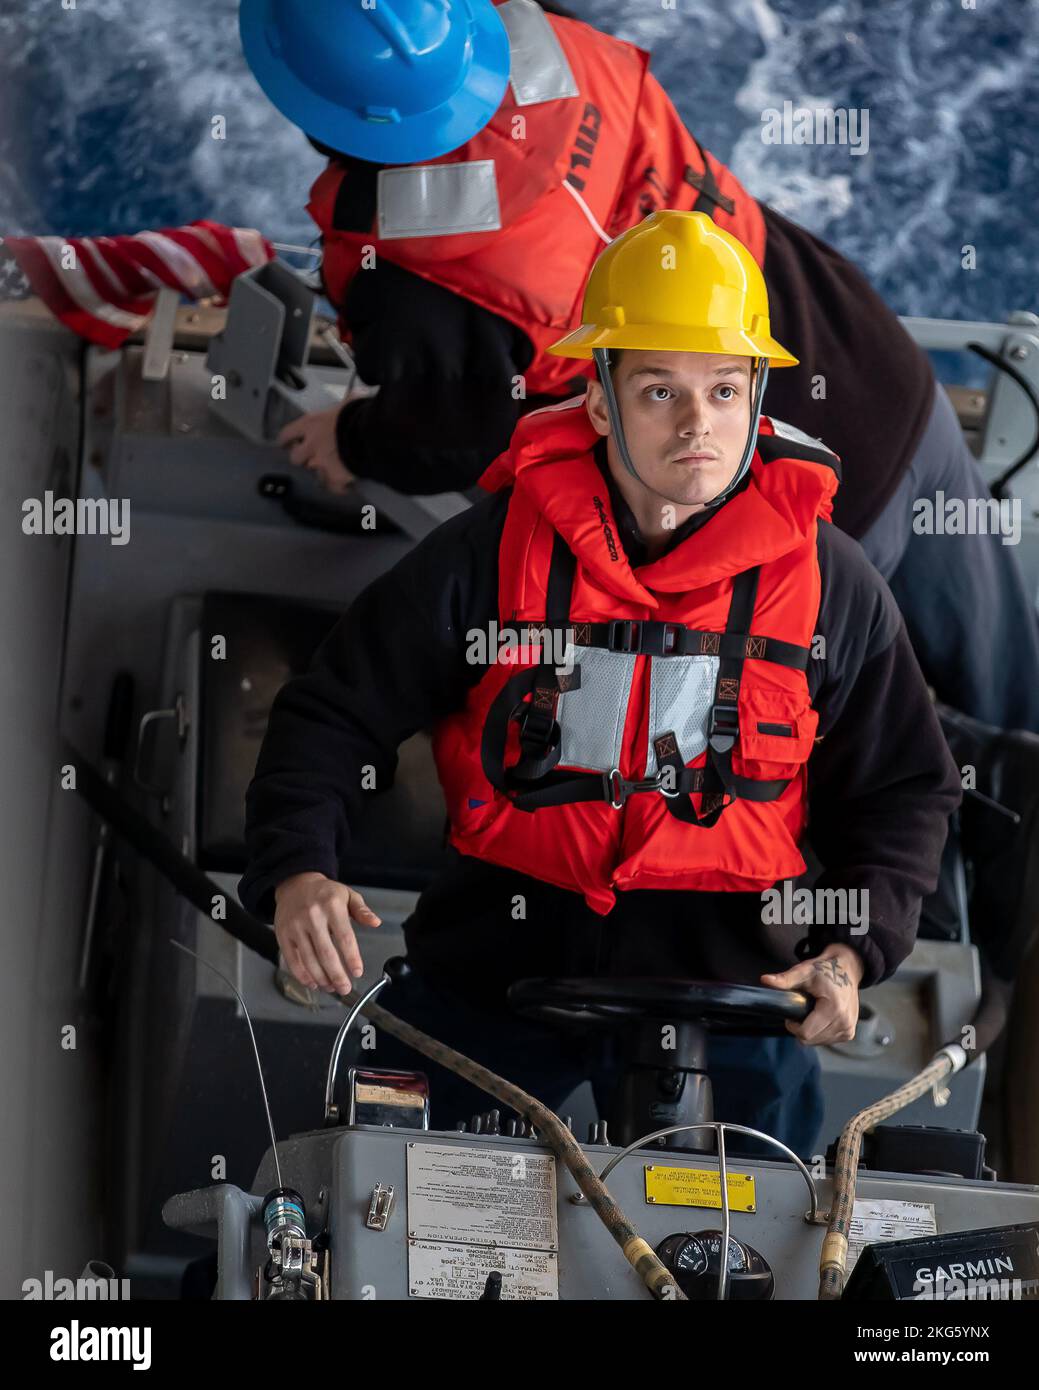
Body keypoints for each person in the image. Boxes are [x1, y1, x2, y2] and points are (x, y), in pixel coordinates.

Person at [238, 211, 962, 1159]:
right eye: (660, 390)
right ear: (598, 398)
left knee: (756, 1255)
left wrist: (850, 950)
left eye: (724, 389)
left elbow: (904, 787)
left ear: (756, 400)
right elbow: (336, 710)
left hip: (739, 996)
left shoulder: (831, 586)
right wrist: (299, 870)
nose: (697, 423)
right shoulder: (491, 553)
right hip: (493, 970)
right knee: (385, 1203)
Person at [240, 0, 1039, 734]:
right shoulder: (541, 34)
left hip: (796, 521)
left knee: (872, 764)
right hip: (869, 363)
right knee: (1016, 697)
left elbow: (458, 429)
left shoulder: (409, 283)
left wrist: (351, 439)